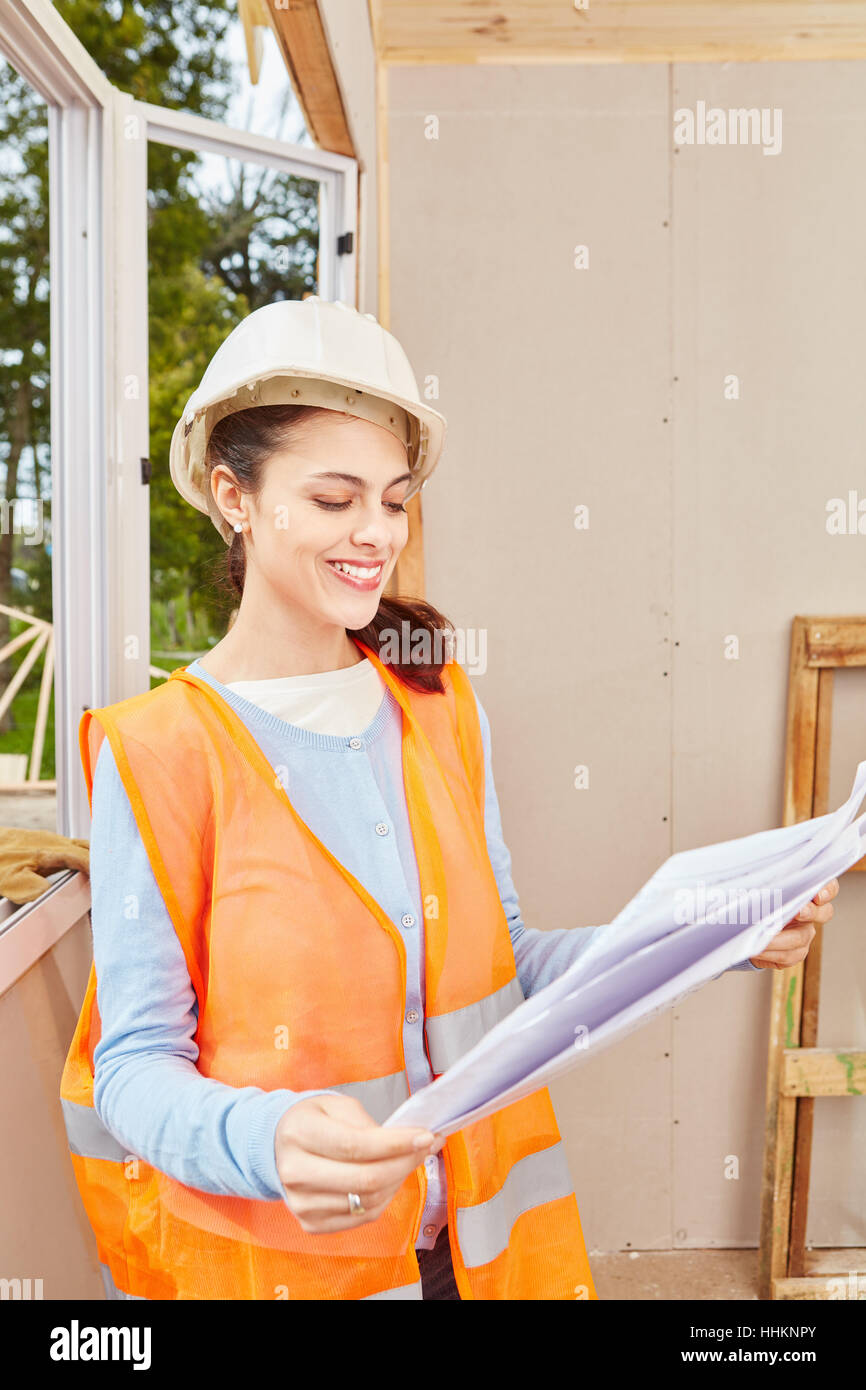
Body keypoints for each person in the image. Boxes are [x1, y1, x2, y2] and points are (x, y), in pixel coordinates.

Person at [60, 298, 839, 1302]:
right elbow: (132, 1066)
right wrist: (266, 1136)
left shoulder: (434, 705)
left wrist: (712, 931)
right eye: (334, 499)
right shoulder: (160, 749)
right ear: (233, 496)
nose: (375, 533)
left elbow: (500, 971)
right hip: (290, 1271)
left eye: (392, 499)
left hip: (476, 1264)